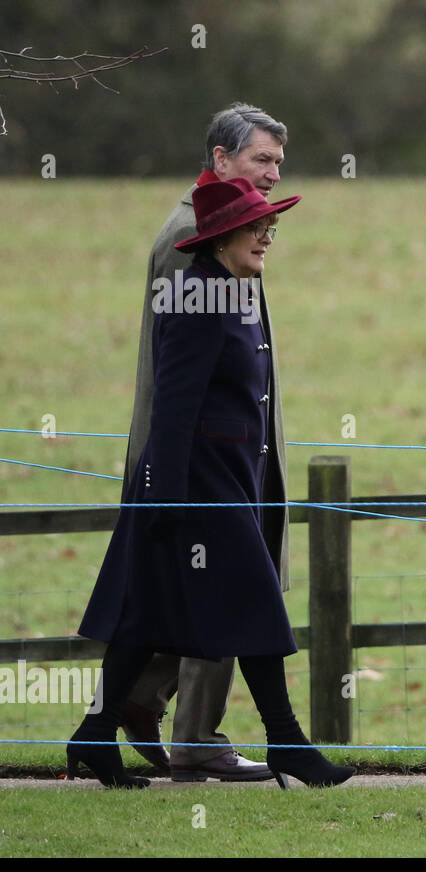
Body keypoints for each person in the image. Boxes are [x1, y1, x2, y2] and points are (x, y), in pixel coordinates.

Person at [68, 178, 354, 790]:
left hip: (223, 482)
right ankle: (288, 744)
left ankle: (94, 734)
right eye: (257, 227)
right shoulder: (197, 296)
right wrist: (169, 498)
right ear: (222, 236)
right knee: (255, 604)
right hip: (197, 488)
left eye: (270, 226)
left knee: (146, 613)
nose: (267, 236)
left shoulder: (229, 291)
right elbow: (172, 407)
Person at [111, 103, 291, 782]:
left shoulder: (230, 224)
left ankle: (133, 703)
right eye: (260, 160)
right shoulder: (189, 234)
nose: (272, 173)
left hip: (232, 448)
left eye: (277, 162)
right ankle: (193, 736)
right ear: (220, 160)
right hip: (198, 455)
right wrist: (172, 469)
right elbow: (178, 369)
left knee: (206, 588)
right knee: (225, 588)